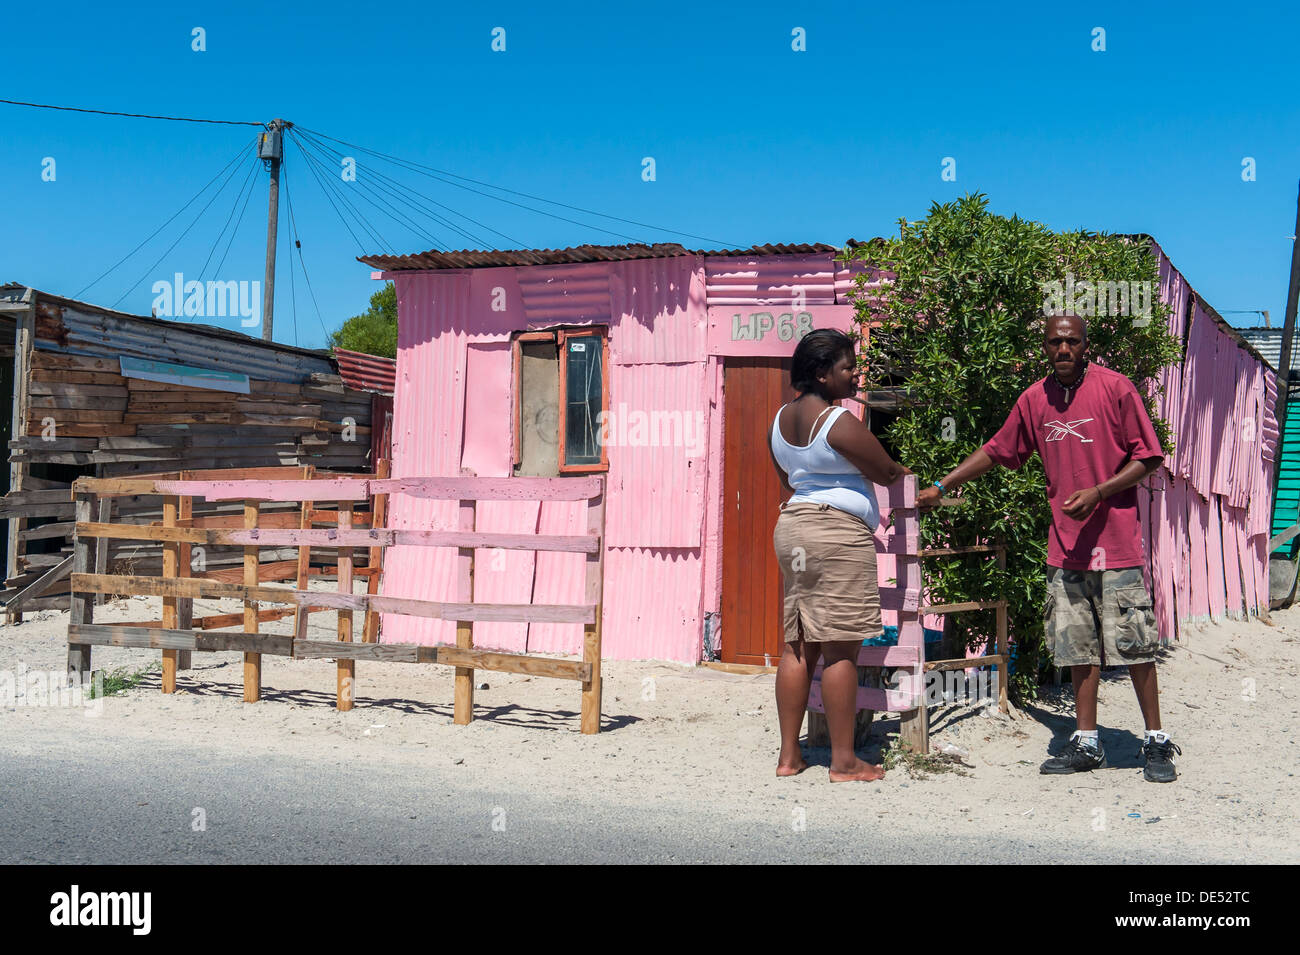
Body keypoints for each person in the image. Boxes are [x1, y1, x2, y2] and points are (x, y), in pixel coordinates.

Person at [916, 314, 1179, 782]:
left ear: (1085, 346)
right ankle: (1087, 741)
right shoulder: (1034, 399)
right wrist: (943, 482)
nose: (1064, 350)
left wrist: (1099, 492)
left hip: (1116, 546)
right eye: (1055, 342)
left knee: (1134, 647)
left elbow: (1149, 457)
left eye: (1072, 342)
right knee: (1078, 649)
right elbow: (998, 449)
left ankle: (1156, 741)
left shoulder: (1115, 389)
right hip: (1066, 548)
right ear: (1044, 347)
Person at [768, 328, 910, 782]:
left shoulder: (779, 421)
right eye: (847, 367)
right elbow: (886, 471)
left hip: (792, 527)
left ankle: (790, 757)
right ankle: (844, 762)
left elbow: (789, 477)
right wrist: (903, 472)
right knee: (842, 649)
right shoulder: (838, 421)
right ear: (821, 373)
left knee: (799, 645)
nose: (855, 375)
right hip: (836, 535)